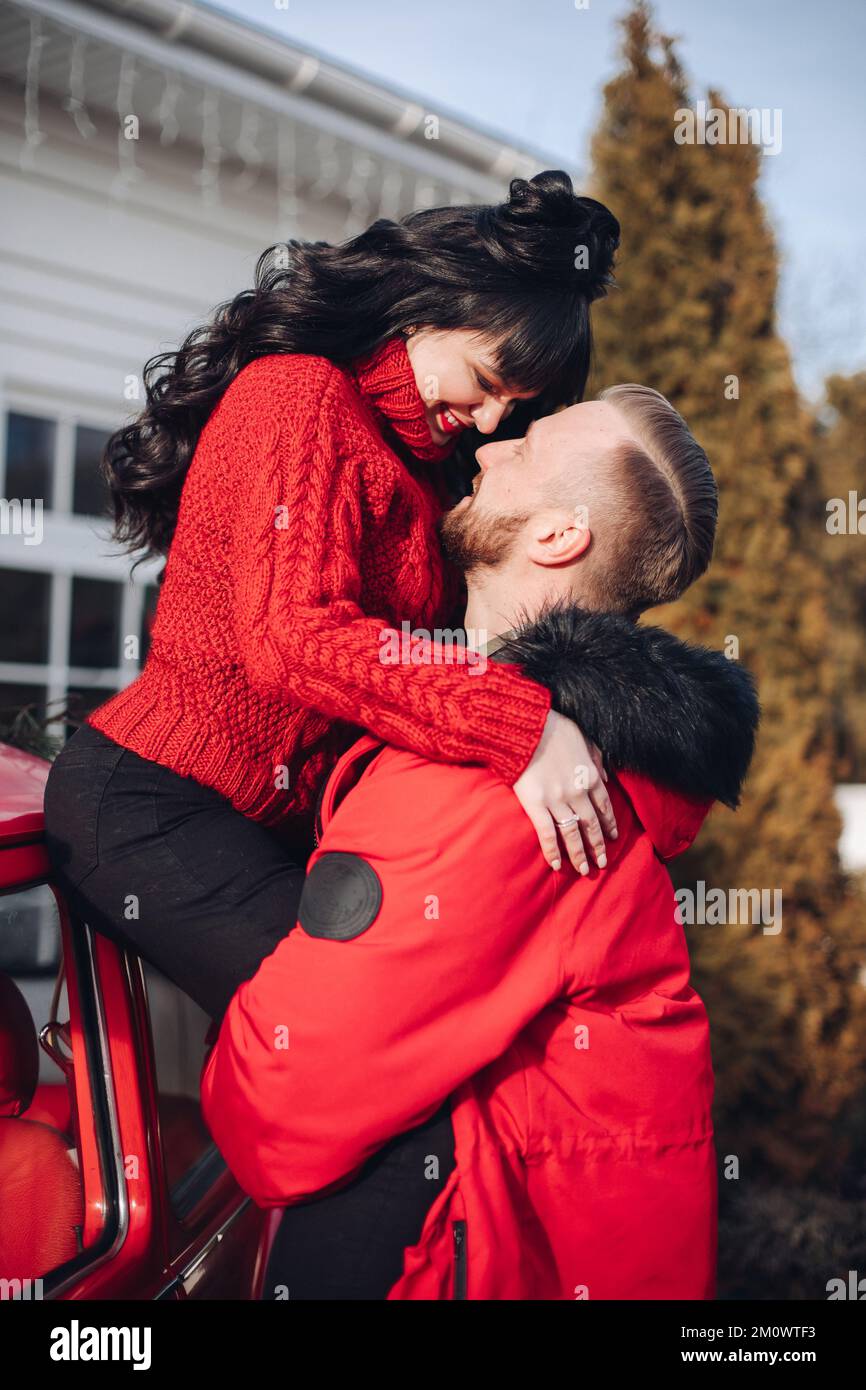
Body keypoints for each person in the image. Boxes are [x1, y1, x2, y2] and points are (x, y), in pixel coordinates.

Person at [200, 383, 760, 1300]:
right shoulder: (540, 748)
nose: (489, 447)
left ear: (556, 536)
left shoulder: (497, 789)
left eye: (526, 449)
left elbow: (282, 1107)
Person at [43, 170, 628, 1024]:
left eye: (521, 406)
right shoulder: (303, 394)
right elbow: (292, 638)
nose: (497, 419)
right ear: (430, 308)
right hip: (152, 800)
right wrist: (519, 724)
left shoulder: (426, 470)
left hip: (269, 826)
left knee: (406, 1042)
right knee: (349, 1038)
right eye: (490, 378)